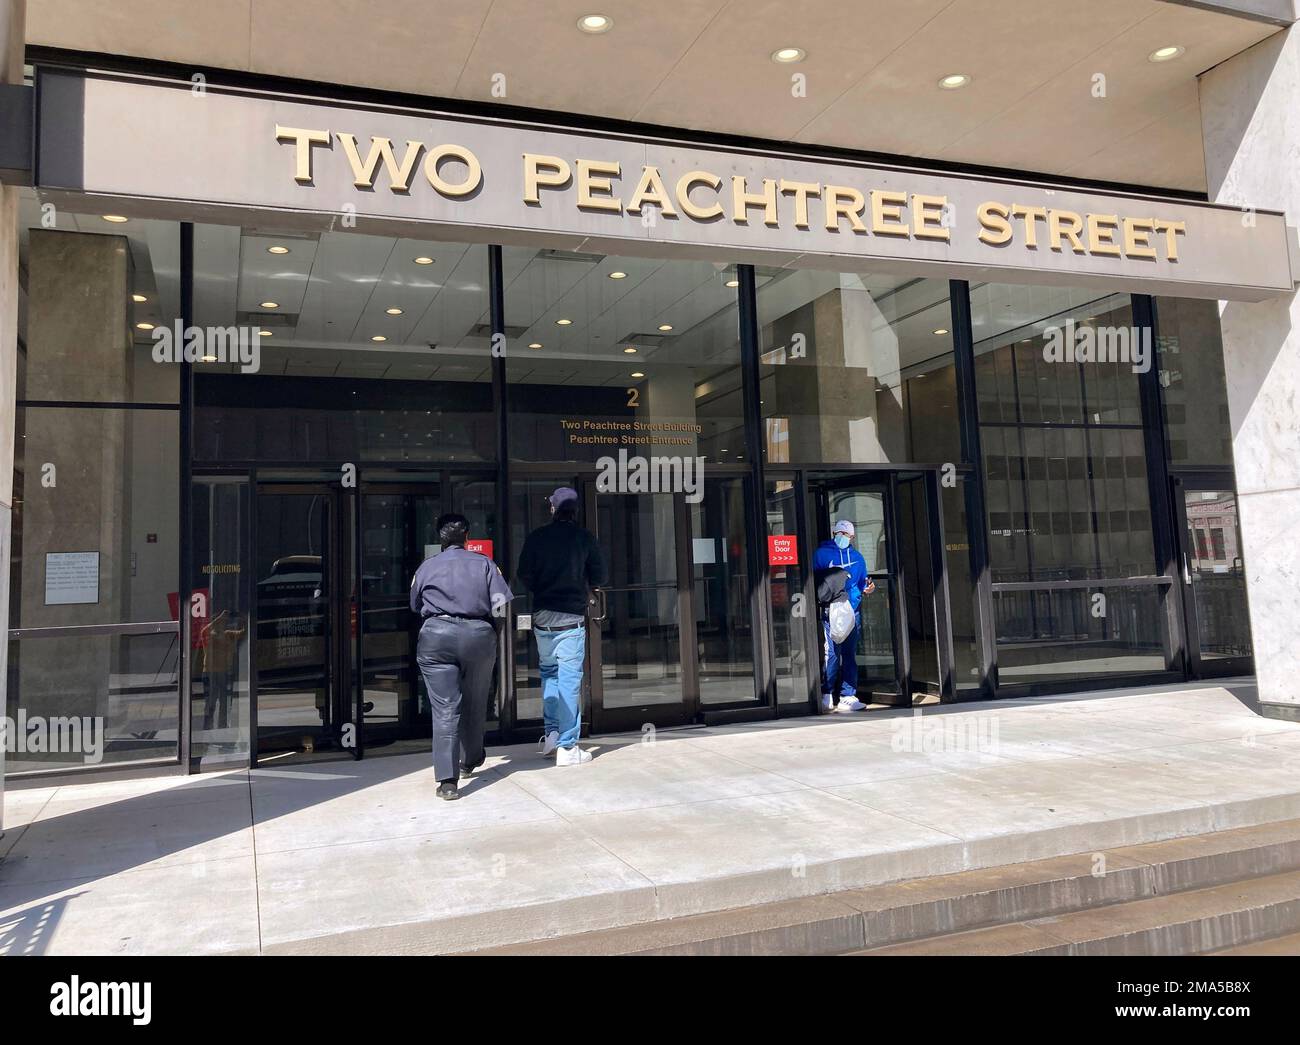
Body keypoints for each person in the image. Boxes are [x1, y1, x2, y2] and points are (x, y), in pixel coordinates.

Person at [411, 513, 514, 800]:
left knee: (445, 708)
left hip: (436, 636)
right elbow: (501, 604)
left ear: (439, 538)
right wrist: (496, 635)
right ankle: (470, 759)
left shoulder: (427, 567)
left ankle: (447, 781)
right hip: (478, 634)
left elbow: (414, 603)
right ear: (467, 537)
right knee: (476, 700)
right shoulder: (484, 564)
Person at [517, 487, 606, 766]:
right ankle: (568, 746)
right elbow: (599, 575)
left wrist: (542, 588)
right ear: (576, 511)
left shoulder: (537, 537)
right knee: (569, 679)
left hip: (542, 615)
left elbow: (524, 574)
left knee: (549, 674)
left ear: (553, 509)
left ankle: (551, 735)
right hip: (570, 617)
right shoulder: (584, 538)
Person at [812, 519, 876, 713]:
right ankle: (827, 693)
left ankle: (848, 695)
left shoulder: (858, 557)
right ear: (834, 533)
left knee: (849, 654)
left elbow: (863, 583)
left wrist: (869, 588)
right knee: (831, 653)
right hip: (830, 609)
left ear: (852, 537)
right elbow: (814, 581)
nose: (841, 537)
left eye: (846, 534)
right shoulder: (821, 554)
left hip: (852, 610)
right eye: (839, 533)